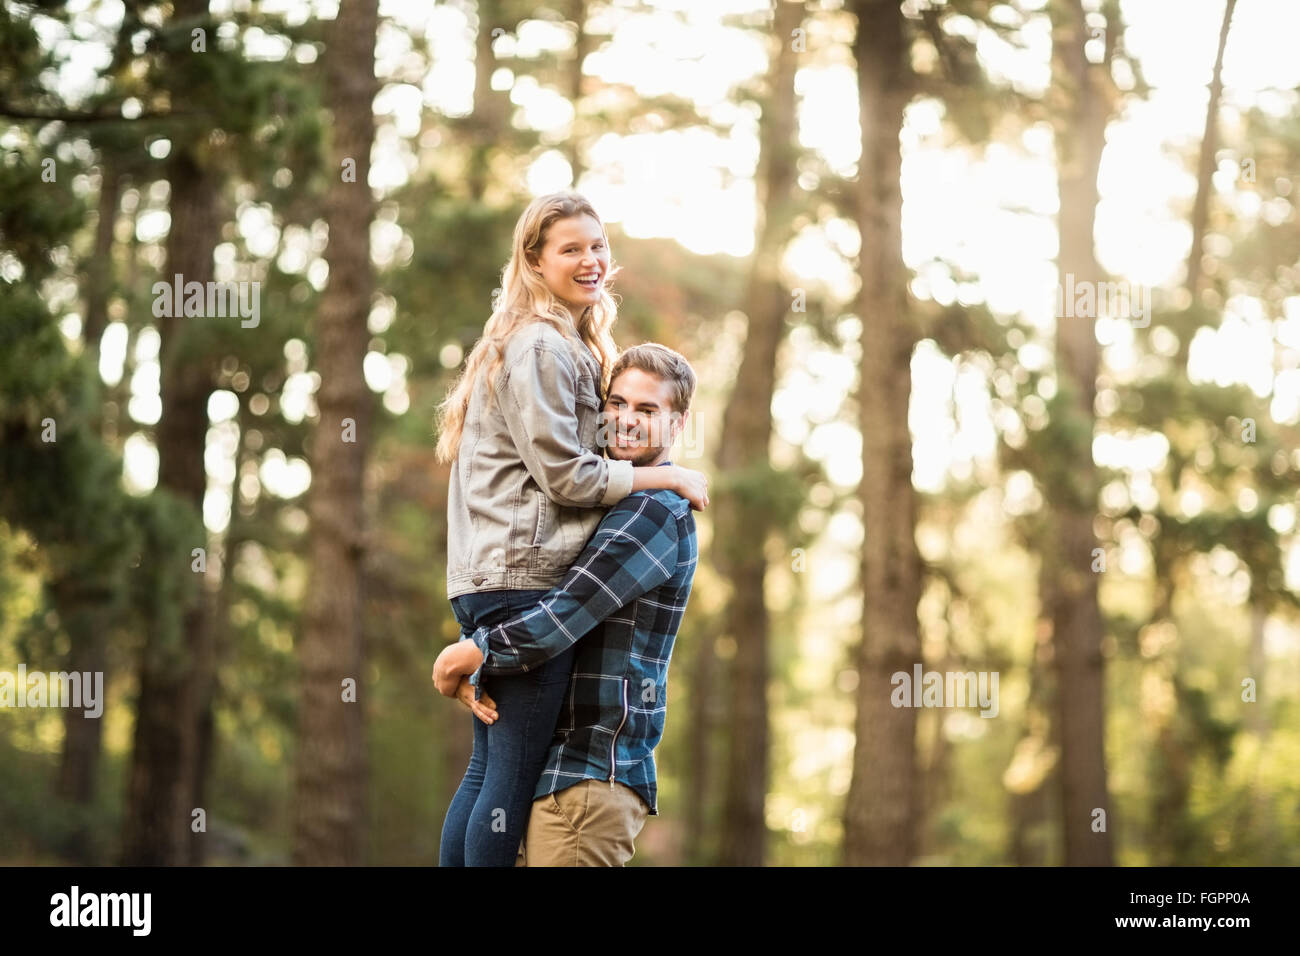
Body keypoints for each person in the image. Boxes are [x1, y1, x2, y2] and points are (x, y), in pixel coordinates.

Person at [434, 191, 708, 868]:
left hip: (496, 582)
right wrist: (666, 475)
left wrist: (477, 646)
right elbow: (566, 478)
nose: (591, 261)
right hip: (519, 579)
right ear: (533, 261)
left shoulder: (541, 341)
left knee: (489, 770)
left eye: (598, 246)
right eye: (570, 249)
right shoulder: (545, 346)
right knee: (505, 774)